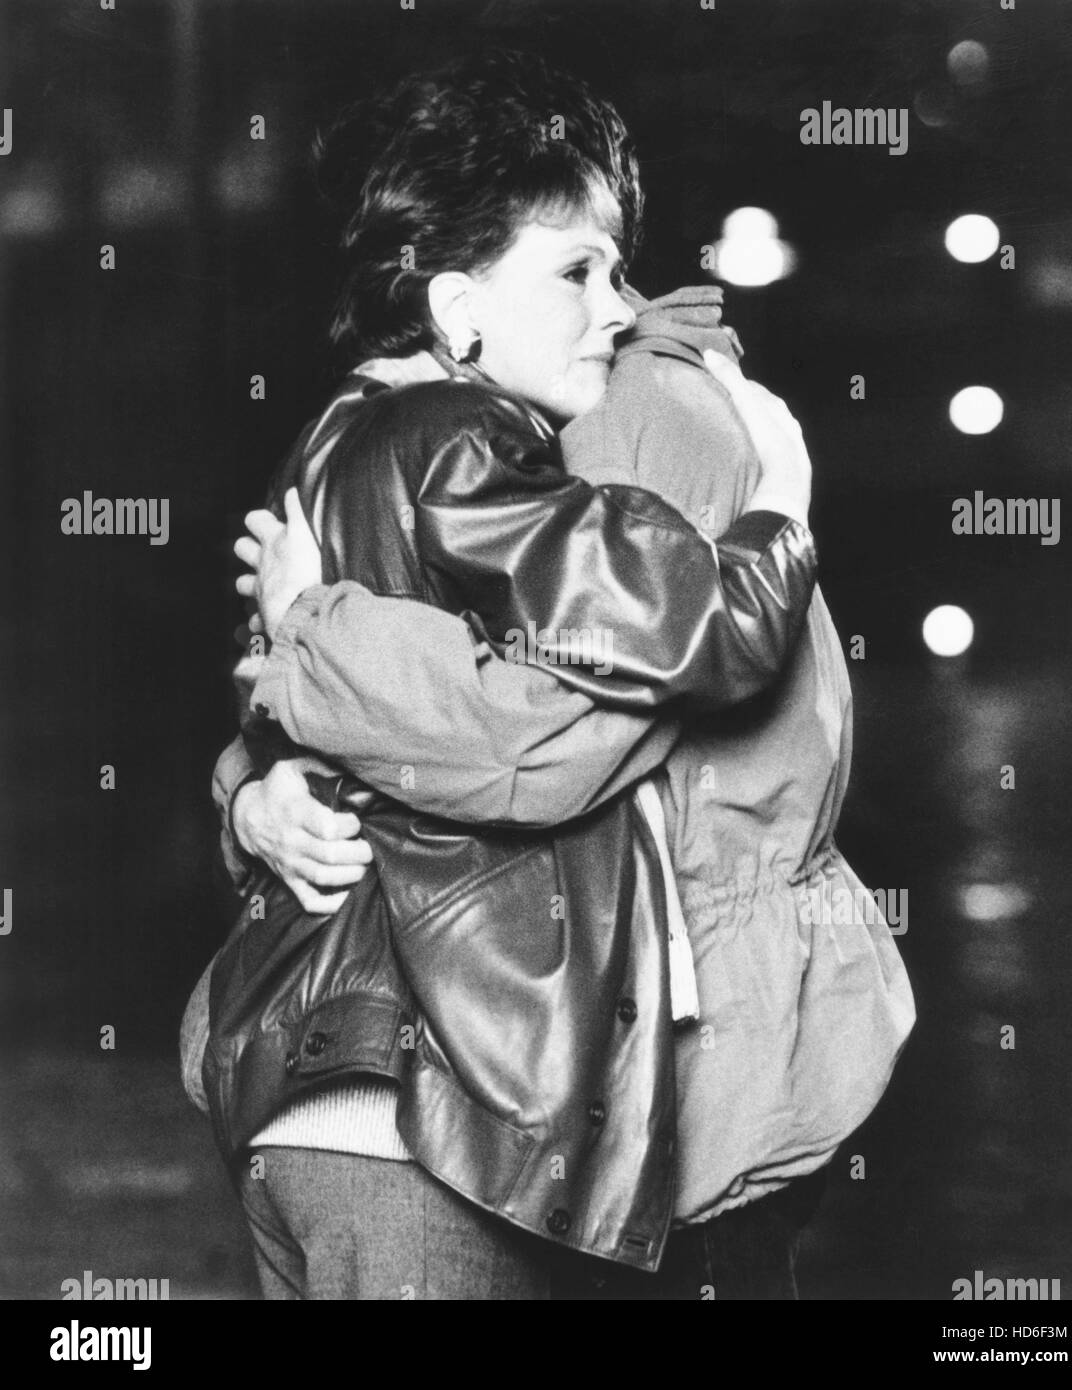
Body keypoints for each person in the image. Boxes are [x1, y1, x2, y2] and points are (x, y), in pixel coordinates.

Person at [184, 49, 821, 1300]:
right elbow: (700, 627)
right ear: (456, 307)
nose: (620, 308)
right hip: (419, 1125)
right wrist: (781, 500)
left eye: (619, 269)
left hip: (308, 1101)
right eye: (576, 272)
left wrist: (253, 791)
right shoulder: (461, 440)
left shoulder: (329, 444)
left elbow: (301, 704)